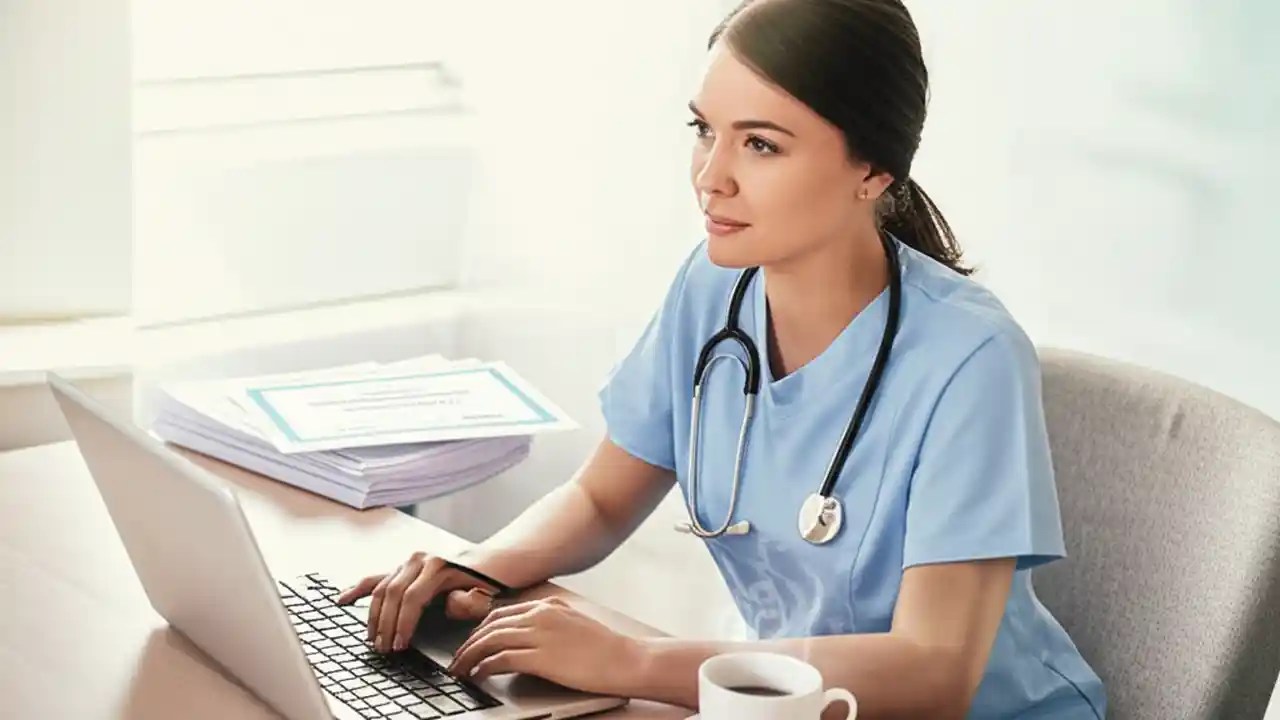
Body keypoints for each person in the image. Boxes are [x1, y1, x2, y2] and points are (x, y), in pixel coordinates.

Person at [337, 1, 1106, 717]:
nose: (712, 176)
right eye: (705, 130)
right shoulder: (715, 288)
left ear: (873, 171)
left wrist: (637, 663)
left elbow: (934, 671)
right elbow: (605, 499)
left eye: (761, 144)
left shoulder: (970, 357)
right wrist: (479, 568)